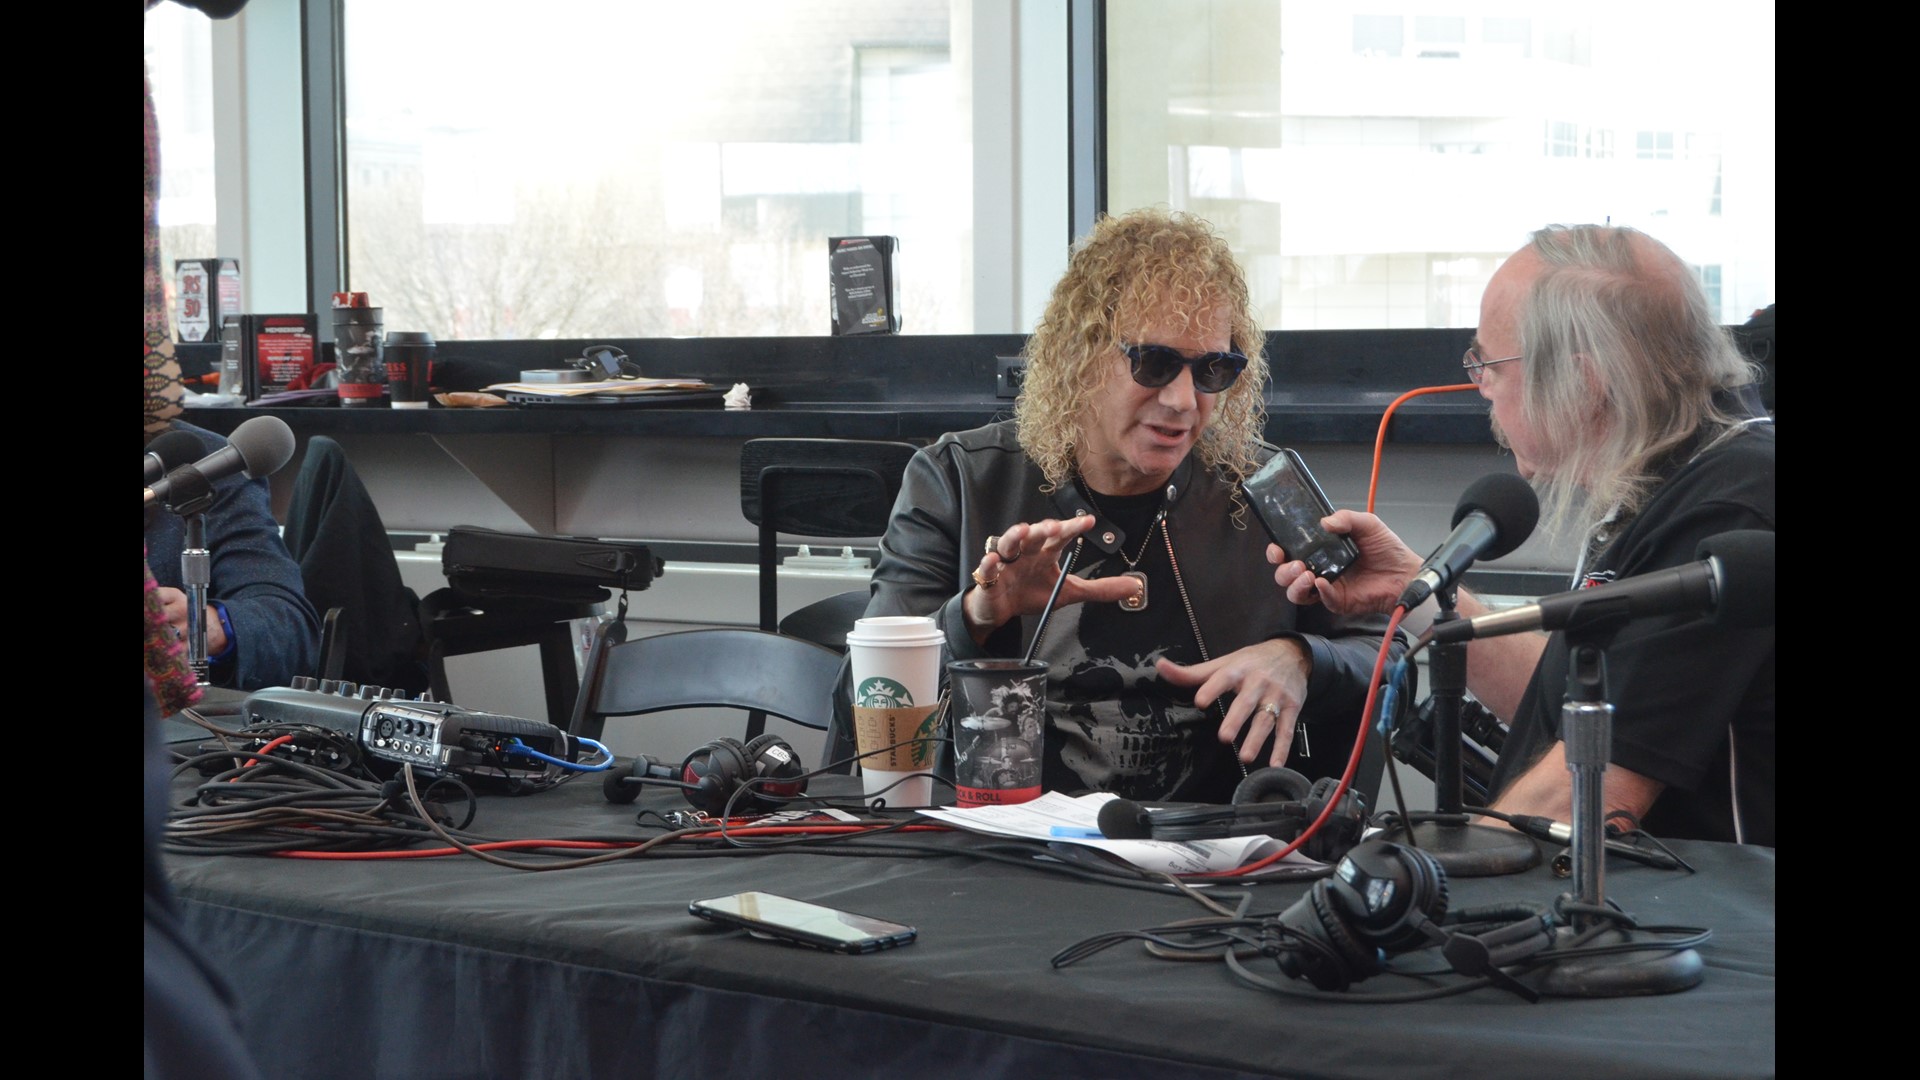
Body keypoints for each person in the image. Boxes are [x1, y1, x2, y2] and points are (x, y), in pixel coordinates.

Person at [863, 208, 1399, 804]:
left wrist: (1302, 655)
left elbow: (1385, 644)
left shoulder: (1264, 489)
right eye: (1154, 362)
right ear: (1080, 356)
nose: (1182, 401)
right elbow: (864, 707)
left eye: (1212, 369)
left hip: (1213, 848)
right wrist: (980, 615)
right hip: (1003, 849)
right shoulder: (958, 482)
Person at [1271, 224, 1775, 846]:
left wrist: (1418, 892)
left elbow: (1591, 792)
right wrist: (1415, 585)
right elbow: (1581, 703)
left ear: (1586, 381)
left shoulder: (1729, 507)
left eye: (1490, 365)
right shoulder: (1681, 478)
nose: (1480, 386)